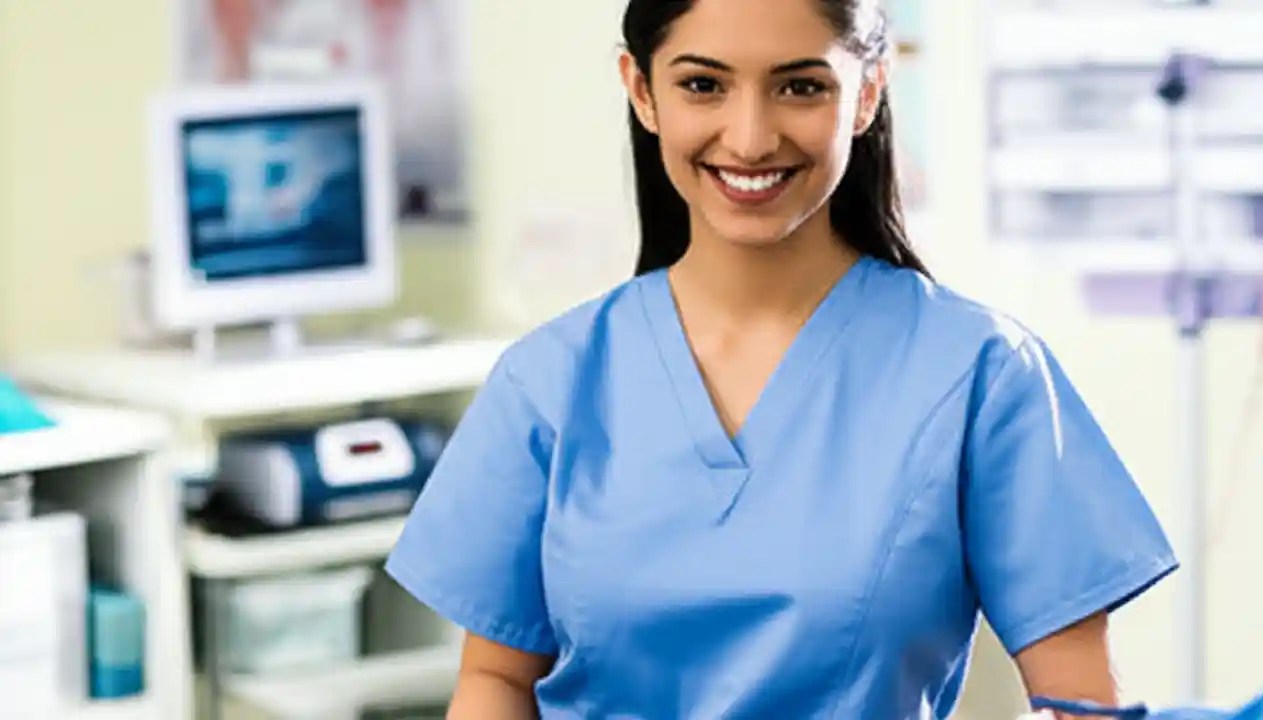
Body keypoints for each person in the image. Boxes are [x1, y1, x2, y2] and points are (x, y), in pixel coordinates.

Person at [385, 0, 1179, 716]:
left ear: (868, 90)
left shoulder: (980, 375)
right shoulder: (550, 381)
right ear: (641, 90)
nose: (751, 137)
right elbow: (496, 680)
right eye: (704, 85)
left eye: (800, 87)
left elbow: (1078, 703)